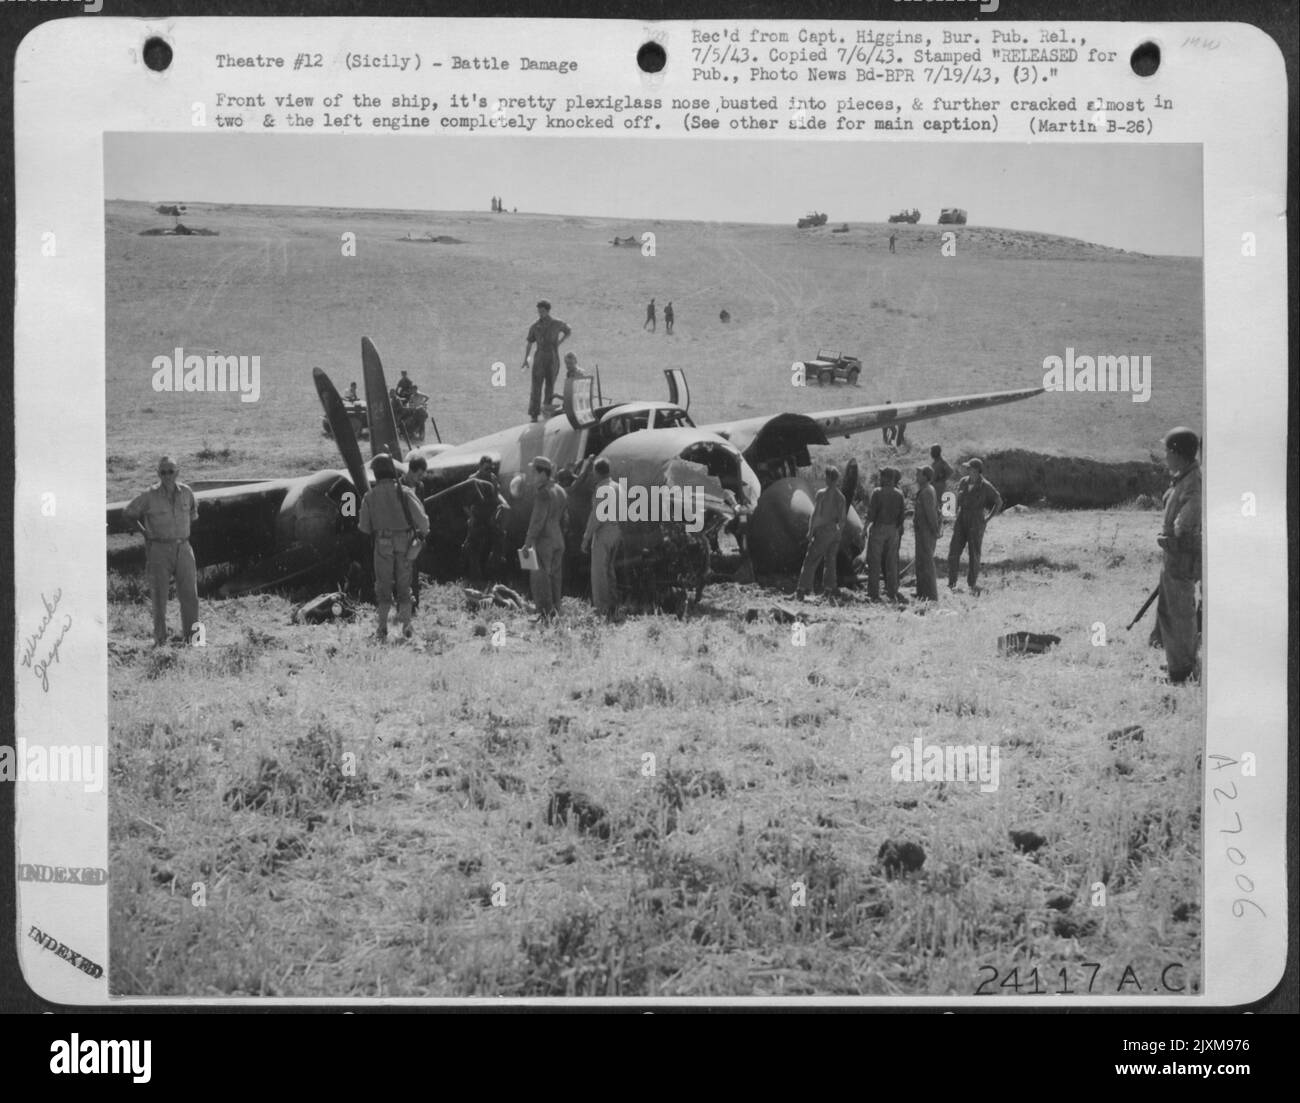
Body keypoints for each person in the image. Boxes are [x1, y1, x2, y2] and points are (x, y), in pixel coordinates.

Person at [122, 455, 200, 646]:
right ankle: (160, 641)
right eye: (163, 472)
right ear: (158, 473)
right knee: (159, 597)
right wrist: (144, 533)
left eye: (171, 471)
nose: (167, 475)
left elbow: (193, 514)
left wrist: (180, 533)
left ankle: (196, 640)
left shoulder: (187, 492)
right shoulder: (149, 495)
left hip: (184, 548)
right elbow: (128, 512)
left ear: (178, 472)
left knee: (191, 596)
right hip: (159, 549)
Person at [358, 453, 429, 640]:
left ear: (376, 474)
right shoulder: (405, 492)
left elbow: (364, 528)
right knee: (405, 587)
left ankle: (382, 628)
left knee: (383, 587)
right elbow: (424, 523)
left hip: (382, 545)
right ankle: (406, 627)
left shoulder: (369, 496)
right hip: (405, 544)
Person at [1154, 427, 1202, 684]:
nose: (1164, 456)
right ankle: (1175, 663)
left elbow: (1188, 524)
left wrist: (1170, 538)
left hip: (1180, 557)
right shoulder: (1184, 478)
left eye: (1166, 451)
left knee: (1180, 614)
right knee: (1169, 611)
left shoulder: (1192, 483)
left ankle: (1182, 671)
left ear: (1176, 453)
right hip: (1174, 557)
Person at [947, 458, 1002, 594]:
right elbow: (958, 500)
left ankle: (972, 584)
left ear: (977, 470)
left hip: (976, 520)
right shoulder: (963, 482)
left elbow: (998, 501)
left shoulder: (985, 485)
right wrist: (953, 515)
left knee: (974, 553)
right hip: (962, 518)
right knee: (954, 551)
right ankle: (951, 583)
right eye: (967, 468)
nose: (967, 470)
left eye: (970, 468)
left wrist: (987, 519)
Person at [522, 456, 567, 620]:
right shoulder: (560, 490)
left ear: (542, 473)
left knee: (540, 579)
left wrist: (527, 543)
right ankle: (556, 610)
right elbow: (564, 518)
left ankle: (545, 614)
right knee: (555, 578)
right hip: (558, 539)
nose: (531, 474)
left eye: (534, 471)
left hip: (544, 541)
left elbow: (537, 521)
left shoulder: (543, 493)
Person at [795, 466, 846, 601]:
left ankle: (802, 590)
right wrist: (839, 534)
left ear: (829, 478)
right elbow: (842, 519)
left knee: (811, 559)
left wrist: (811, 530)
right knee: (830, 561)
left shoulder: (821, 494)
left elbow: (815, 513)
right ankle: (829, 589)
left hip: (823, 531)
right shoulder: (841, 497)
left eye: (826, 477)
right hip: (835, 531)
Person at [581, 458, 623, 619]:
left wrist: (586, 537)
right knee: (610, 570)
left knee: (599, 573)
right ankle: (614, 605)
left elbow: (596, 517)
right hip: (616, 530)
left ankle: (601, 609)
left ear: (597, 472)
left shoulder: (602, 489)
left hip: (603, 532)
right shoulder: (619, 487)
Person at [521, 300, 571, 422]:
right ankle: (534, 414)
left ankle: (546, 411)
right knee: (536, 386)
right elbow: (529, 343)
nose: (540, 314)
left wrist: (559, 342)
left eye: (542, 311)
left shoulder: (557, 323)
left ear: (548, 311)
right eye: (539, 311)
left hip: (552, 357)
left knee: (550, 386)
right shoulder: (535, 326)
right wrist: (525, 360)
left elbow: (568, 330)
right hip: (539, 357)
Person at [865, 467, 906, 602]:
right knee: (892, 562)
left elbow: (871, 514)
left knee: (874, 561)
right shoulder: (899, 494)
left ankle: (873, 593)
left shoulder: (877, 492)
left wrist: (864, 529)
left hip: (879, 529)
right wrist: (897, 528)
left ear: (886, 478)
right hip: (893, 530)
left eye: (882, 475)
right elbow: (902, 515)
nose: (880, 478)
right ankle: (892, 591)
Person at [463, 455, 503, 585]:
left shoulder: (492, 478)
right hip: (477, 518)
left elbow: (497, 497)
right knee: (473, 549)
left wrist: (496, 515)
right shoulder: (472, 480)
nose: (488, 471)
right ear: (480, 466)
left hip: (491, 518)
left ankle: (492, 576)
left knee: (498, 543)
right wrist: (472, 518)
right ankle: (476, 579)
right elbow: (464, 504)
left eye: (490, 469)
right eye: (486, 468)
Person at [402, 456, 429, 608]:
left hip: (415, 535)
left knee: (414, 569)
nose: (420, 479)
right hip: (401, 533)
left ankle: (414, 603)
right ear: (411, 471)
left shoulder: (420, 487)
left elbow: (422, 508)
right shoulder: (398, 486)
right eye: (418, 475)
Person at [913, 465, 940, 601]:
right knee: (921, 562)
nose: (916, 476)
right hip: (922, 531)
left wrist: (935, 530)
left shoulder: (927, 492)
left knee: (926, 563)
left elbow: (931, 514)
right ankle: (922, 593)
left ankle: (930, 595)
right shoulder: (926, 490)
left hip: (926, 531)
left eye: (919, 474)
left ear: (925, 476)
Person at [929, 445, 954, 524]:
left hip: (939, 486)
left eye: (932, 451)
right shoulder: (935, 462)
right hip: (933, 486)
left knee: (938, 505)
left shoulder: (942, 462)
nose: (931, 453)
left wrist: (942, 478)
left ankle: (938, 523)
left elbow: (950, 471)